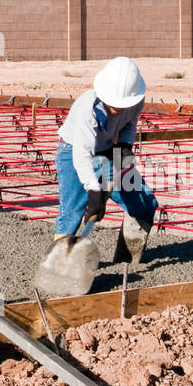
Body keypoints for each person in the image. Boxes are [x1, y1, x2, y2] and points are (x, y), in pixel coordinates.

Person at [53, 55, 157, 253]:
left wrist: (125, 145)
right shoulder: (87, 107)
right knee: (72, 214)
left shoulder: (135, 99)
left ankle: (129, 258)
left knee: (144, 202)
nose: (117, 109)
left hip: (108, 151)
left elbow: (129, 124)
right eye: (113, 105)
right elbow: (82, 153)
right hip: (73, 150)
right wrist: (94, 191)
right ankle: (59, 268)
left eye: (121, 105)